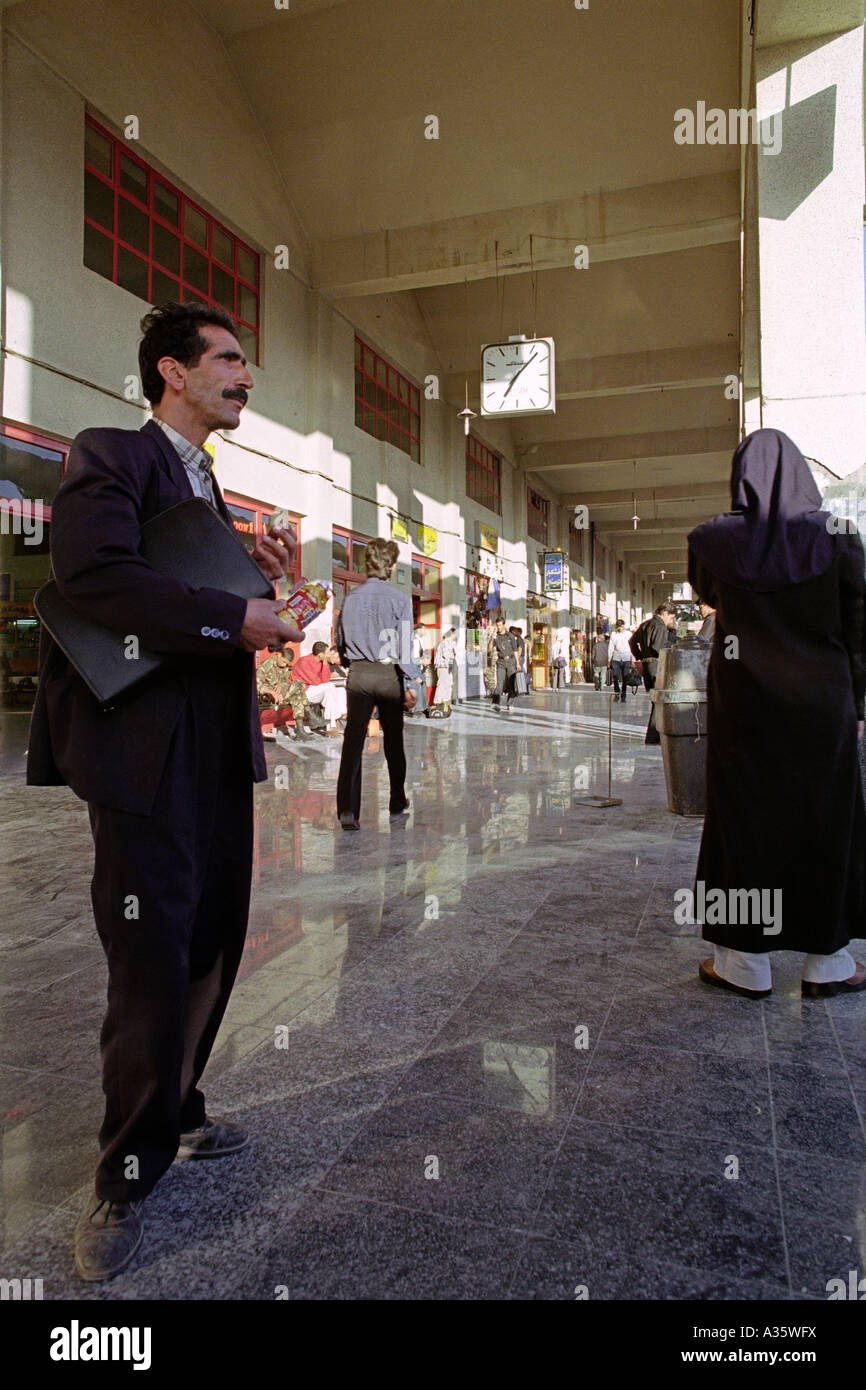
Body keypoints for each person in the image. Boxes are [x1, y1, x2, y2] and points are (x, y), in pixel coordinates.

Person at [25, 302, 303, 1281]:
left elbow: (207, 601)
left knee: (214, 934)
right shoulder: (112, 452)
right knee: (149, 953)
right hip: (142, 755)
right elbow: (94, 575)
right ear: (172, 374)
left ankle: (177, 1106)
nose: (245, 376)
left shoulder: (208, 485)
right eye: (228, 359)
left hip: (217, 748)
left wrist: (264, 591)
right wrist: (237, 613)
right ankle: (123, 1178)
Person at [688, 428, 866, 1000]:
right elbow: (860, 634)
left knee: (743, 824)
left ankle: (744, 962)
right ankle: (828, 960)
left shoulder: (711, 541)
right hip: (823, 706)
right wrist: (858, 706)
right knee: (827, 819)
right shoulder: (840, 539)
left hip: (745, 708)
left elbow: (710, 594)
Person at [335, 539, 419, 829]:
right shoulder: (399, 600)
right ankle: (397, 800)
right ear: (392, 567)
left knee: (353, 741)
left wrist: (353, 664)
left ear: (367, 565)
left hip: (358, 674)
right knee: (394, 741)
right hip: (388, 675)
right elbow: (405, 646)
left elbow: (340, 643)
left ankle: (348, 809)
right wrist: (411, 682)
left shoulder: (349, 598)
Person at [630, 602, 677, 741]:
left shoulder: (645, 624)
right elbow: (658, 647)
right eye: (671, 618)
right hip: (657, 665)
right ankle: (653, 736)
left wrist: (641, 657)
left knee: (655, 700)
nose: (671, 621)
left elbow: (631, 642)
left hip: (647, 666)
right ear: (665, 613)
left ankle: (654, 735)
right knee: (659, 701)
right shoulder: (661, 625)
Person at [289, 640, 347, 733]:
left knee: (340, 691)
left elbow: (325, 679)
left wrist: (325, 664)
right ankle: (334, 723)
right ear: (320, 655)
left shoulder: (321, 661)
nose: (329, 654)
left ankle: (335, 723)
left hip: (314, 689)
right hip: (302, 692)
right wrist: (325, 663)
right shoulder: (304, 662)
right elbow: (316, 681)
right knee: (329, 687)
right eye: (327, 652)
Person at [490, 616, 518, 710]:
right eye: (497, 625)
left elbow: (515, 650)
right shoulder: (496, 636)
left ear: (504, 625)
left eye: (500, 625)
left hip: (510, 661)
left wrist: (517, 663)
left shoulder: (510, 636)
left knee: (511, 683)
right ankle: (495, 703)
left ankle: (510, 703)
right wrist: (492, 638)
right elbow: (490, 648)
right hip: (501, 661)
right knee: (499, 683)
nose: (498, 627)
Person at [430, 627, 457, 717]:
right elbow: (446, 655)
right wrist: (454, 653)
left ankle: (444, 701)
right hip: (443, 667)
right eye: (455, 634)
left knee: (448, 684)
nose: (455, 636)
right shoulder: (446, 642)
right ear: (451, 634)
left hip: (447, 667)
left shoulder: (449, 642)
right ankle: (437, 702)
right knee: (442, 684)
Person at [607, 619, 633, 701]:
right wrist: (609, 659)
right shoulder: (613, 634)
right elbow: (611, 647)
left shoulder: (629, 634)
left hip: (626, 658)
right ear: (617, 627)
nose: (621, 628)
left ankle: (624, 695)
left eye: (622, 626)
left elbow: (632, 647)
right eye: (619, 626)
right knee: (615, 676)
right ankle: (617, 692)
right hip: (616, 658)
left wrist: (633, 659)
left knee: (625, 677)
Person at [409, 621, 428, 716]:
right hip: (415, 668)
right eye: (424, 630)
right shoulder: (415, 640)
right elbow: (413, 658)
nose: (425, 632)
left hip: (420, 667)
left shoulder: (419, 640)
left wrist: (424, 668)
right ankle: (415, 709)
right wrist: (421, 662)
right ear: (419, 629)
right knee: (417, 688)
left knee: (421, 688)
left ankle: (421, 708)